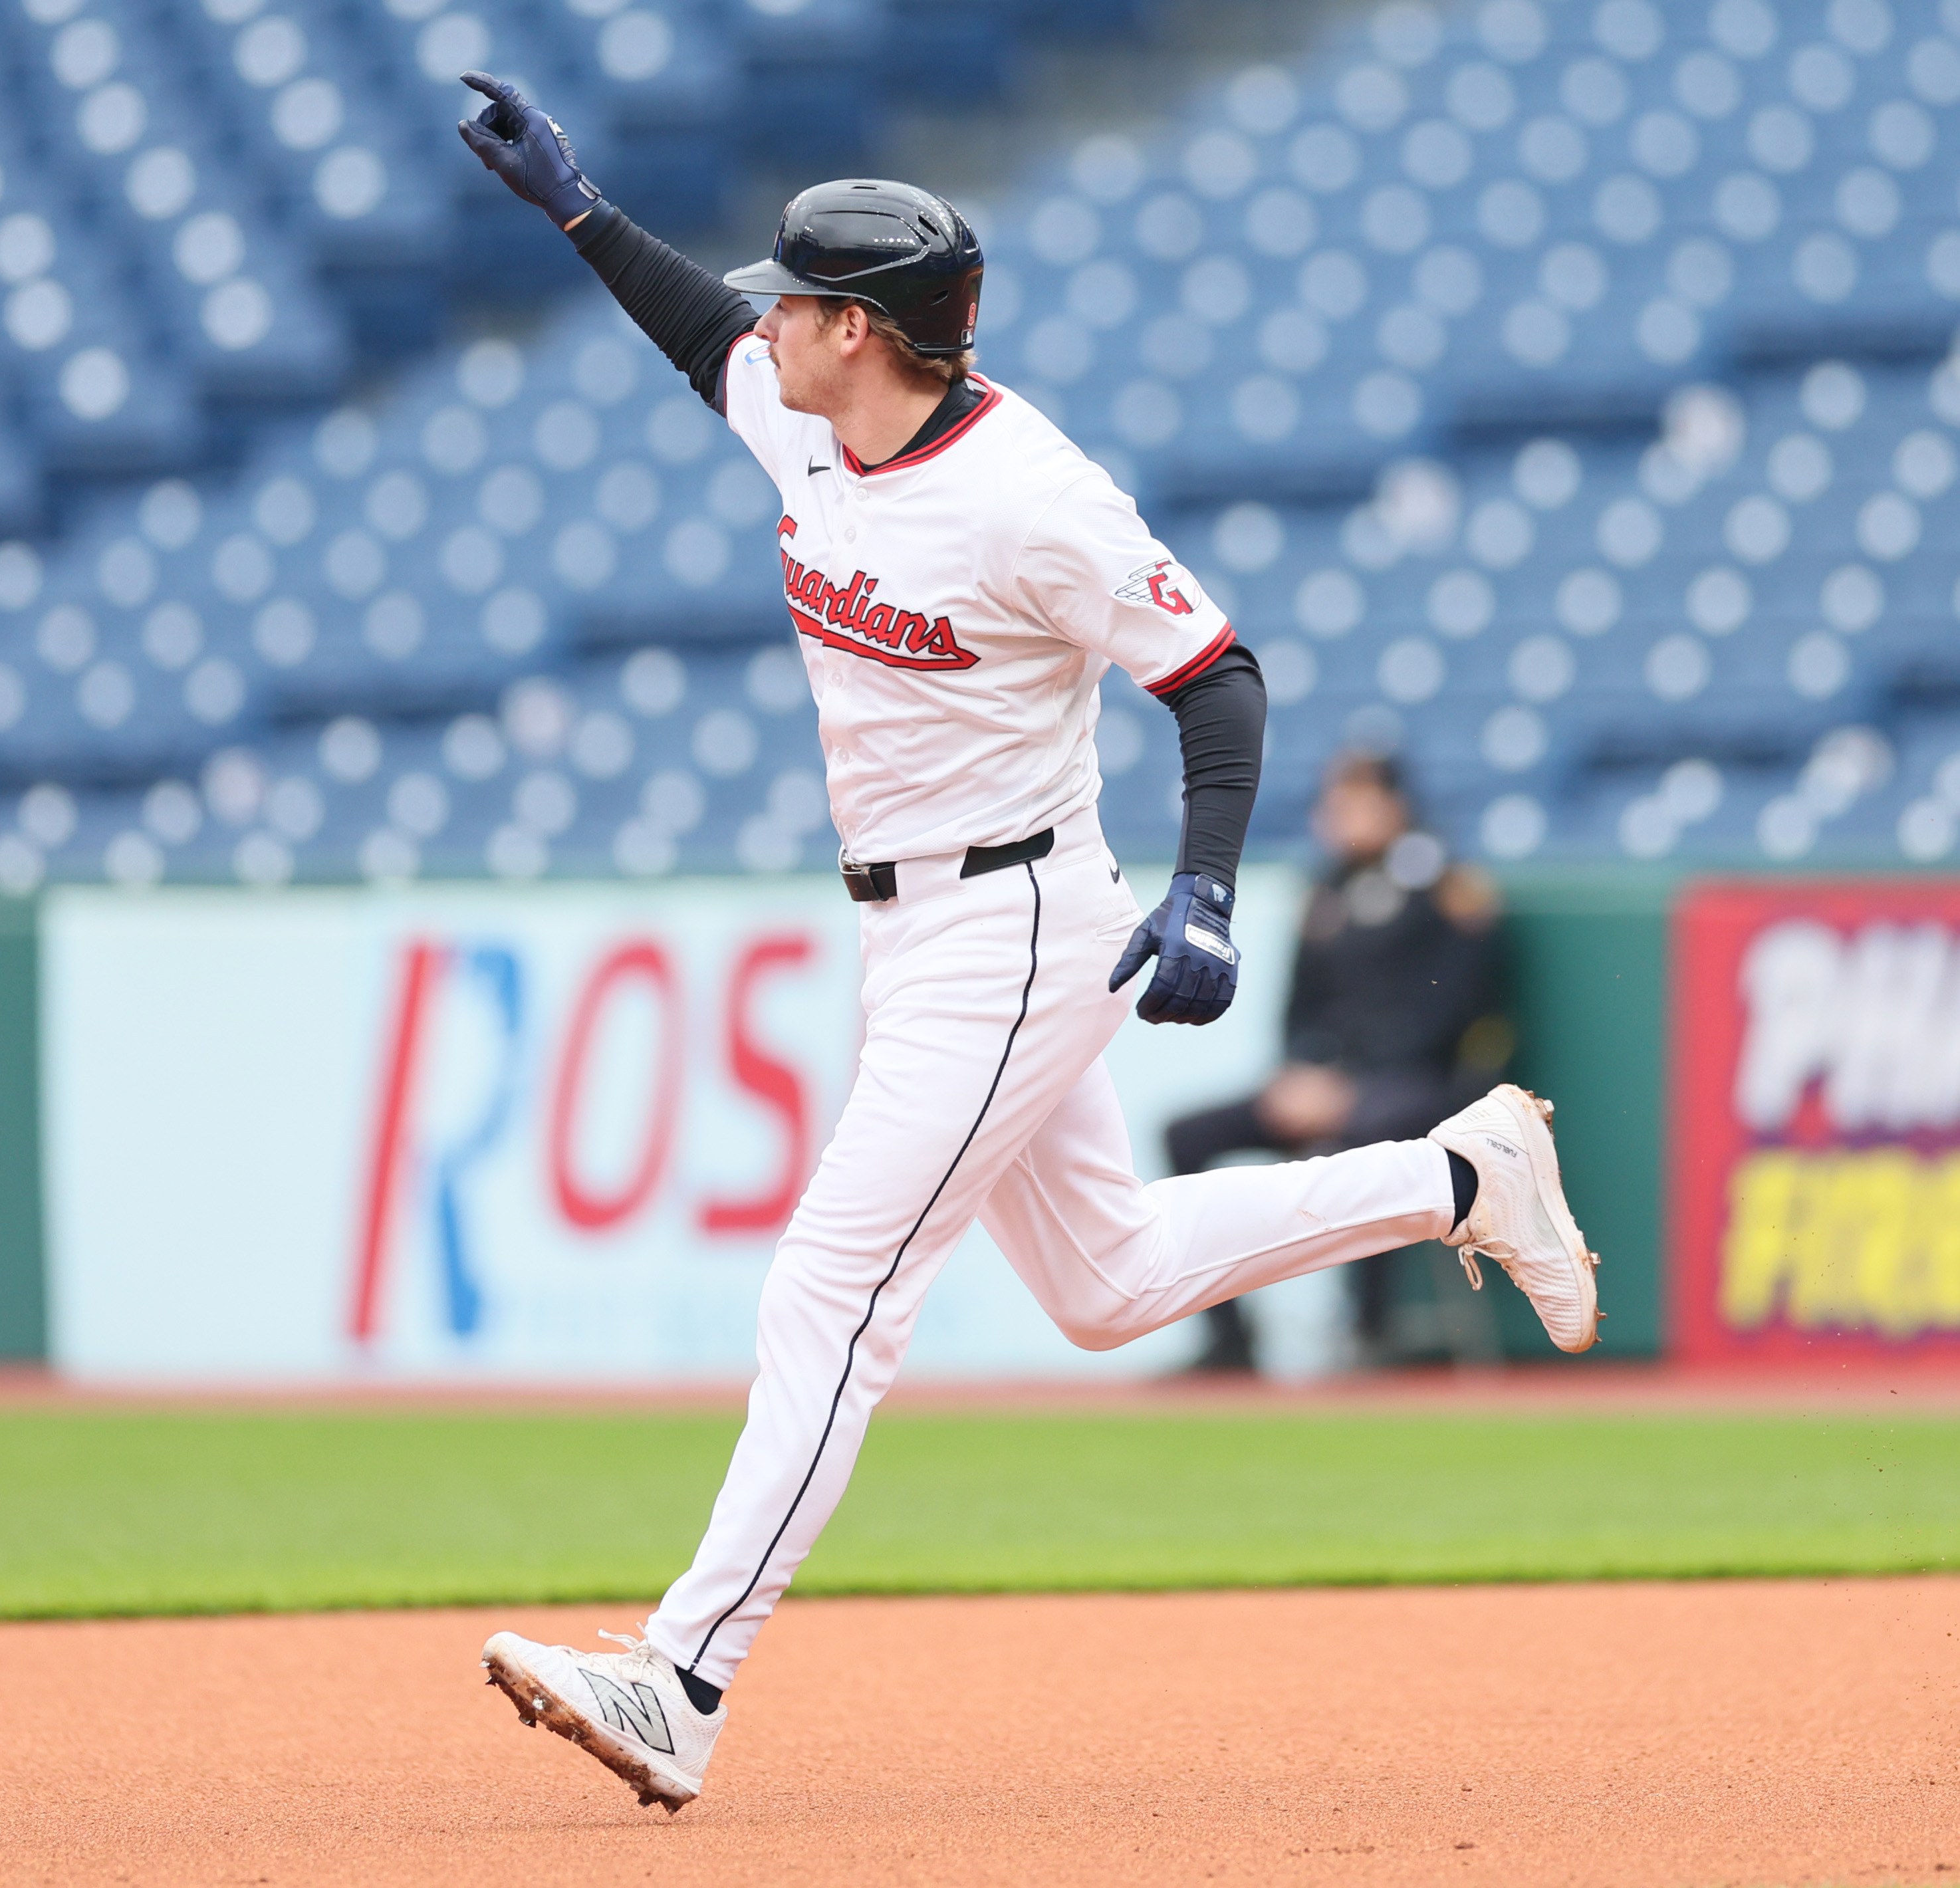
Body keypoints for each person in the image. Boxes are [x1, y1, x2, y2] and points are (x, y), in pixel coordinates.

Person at [455, 75, 1600, 1814]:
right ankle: (1458, 1179)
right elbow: (698, 334)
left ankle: (683, 1679)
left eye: (793, 304)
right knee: (1106, 1284)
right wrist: (579, 208)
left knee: (832, 1289)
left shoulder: (1028, 497)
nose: (762, 321)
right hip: (911, 933)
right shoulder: (805, 411)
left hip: (1009, 924)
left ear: (858, 330)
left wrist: (1205, 887)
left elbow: (1214, 677)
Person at [1166, 753, 1509, 1373]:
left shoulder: (1448, 892)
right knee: (1185, 1134)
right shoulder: (1326, 891)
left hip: (1420, 1086)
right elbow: (1300, 1010)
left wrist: (1352, 1083)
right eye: (1333, 803)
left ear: (1395, 806)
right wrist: (1303, 1072)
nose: (1338, 817)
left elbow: (1456, 1012)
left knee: (1370, 1135)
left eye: (1355, 801)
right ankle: (1229, 1340)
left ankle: (1369, 1331)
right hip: (1331, 1084)